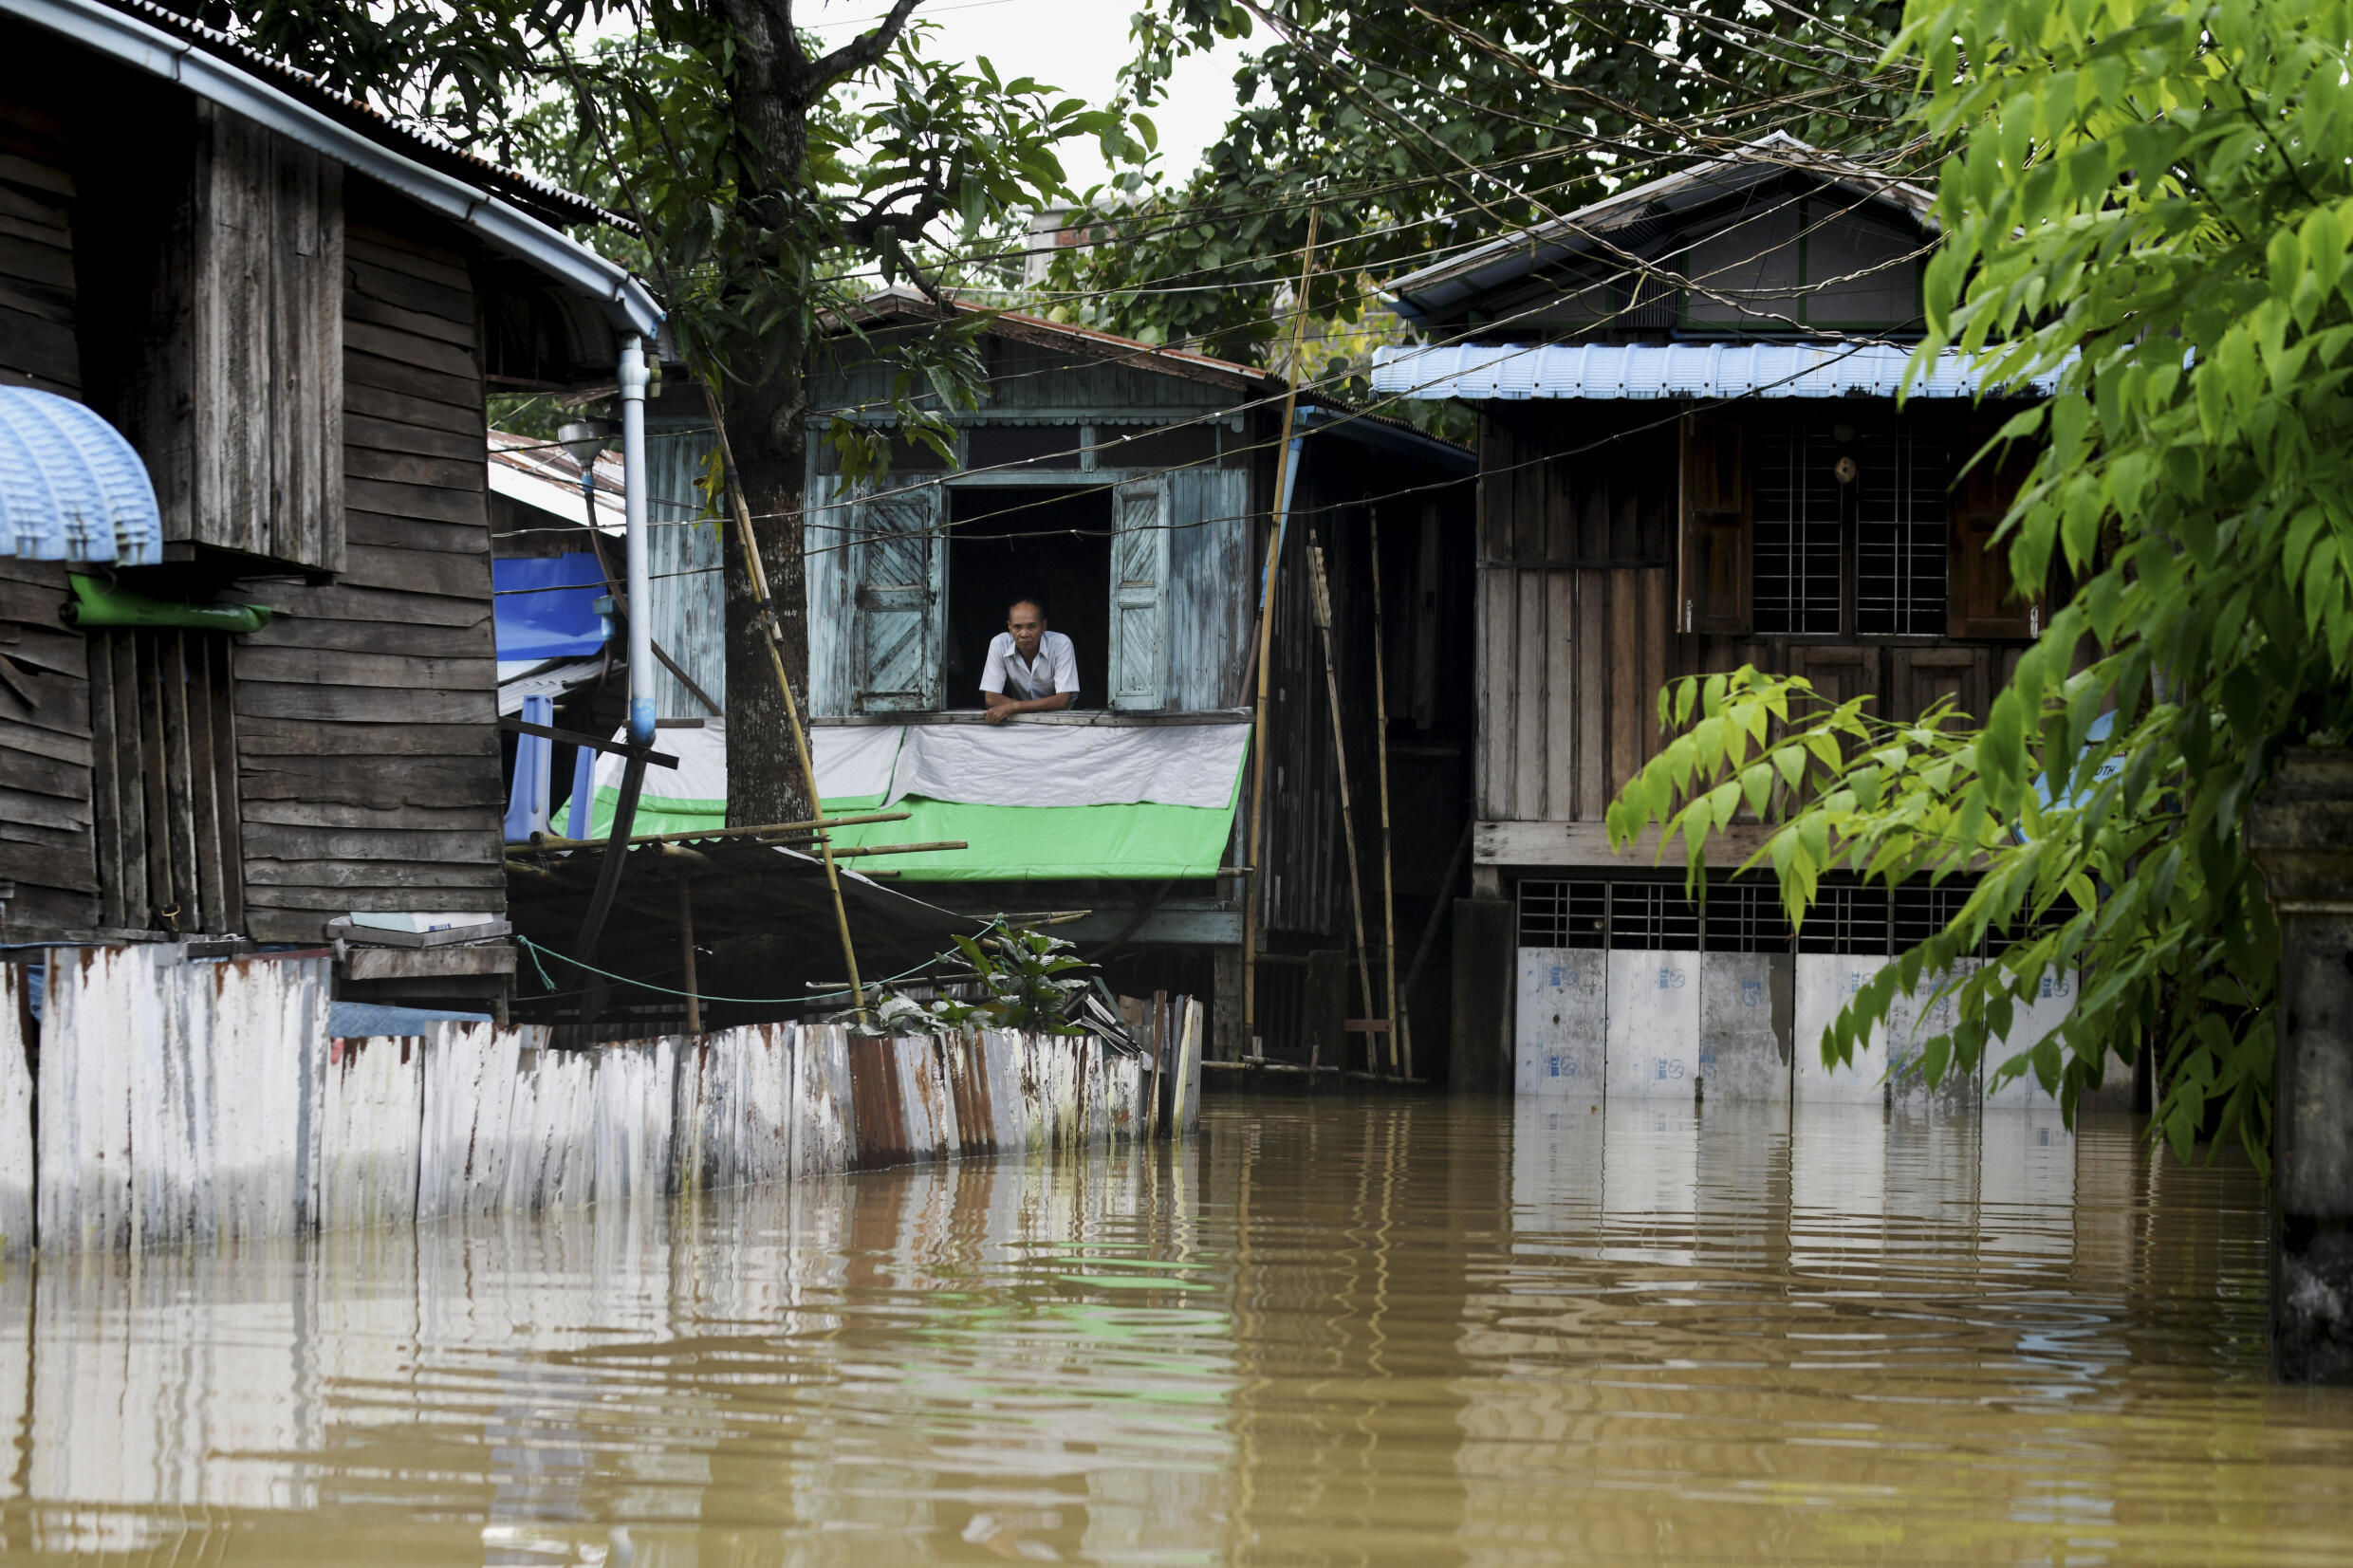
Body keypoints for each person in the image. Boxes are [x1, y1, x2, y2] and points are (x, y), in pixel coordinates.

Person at [979, 597, 1078, 723]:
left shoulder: (1061, 644)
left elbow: (1062, 701)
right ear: (1009, 627)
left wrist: (1013, 707)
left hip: (1061, 722)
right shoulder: (999, 644)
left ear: (1043, 626)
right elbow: (991, 699)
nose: (1024, 634)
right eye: (1017, 627)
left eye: (1031, 626)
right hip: (1021, 721)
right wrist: (1017, 708)